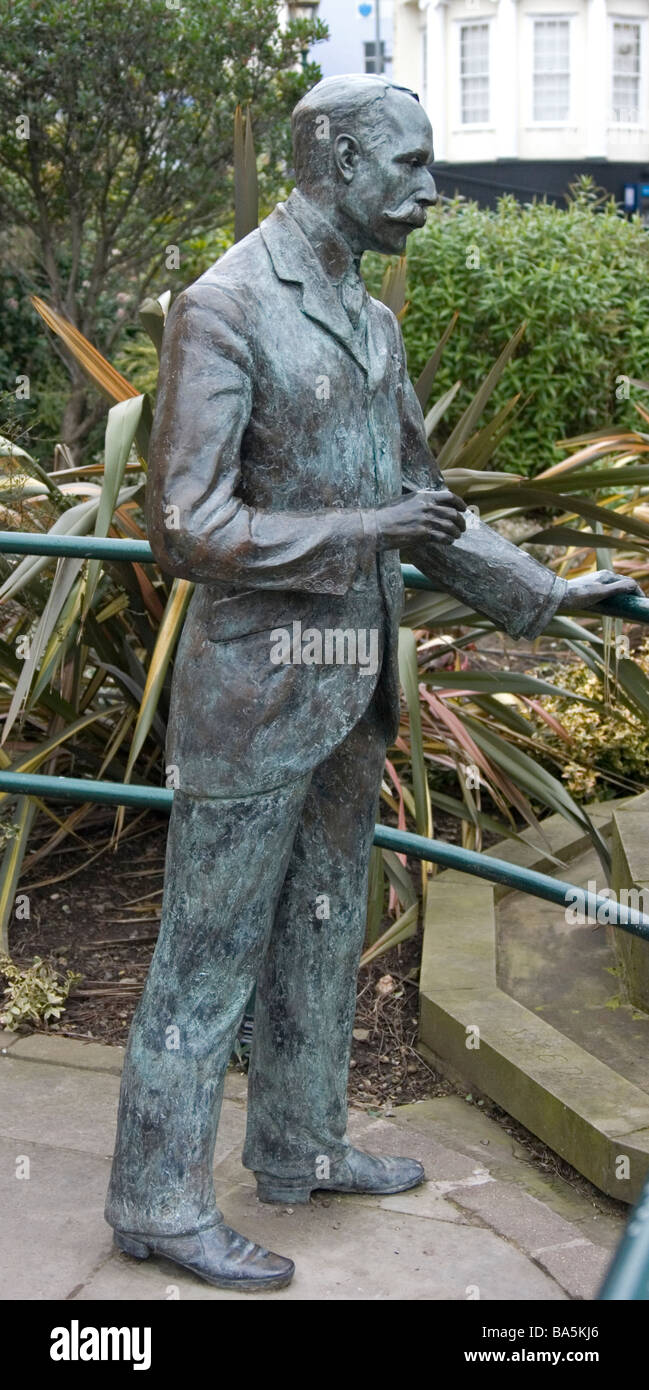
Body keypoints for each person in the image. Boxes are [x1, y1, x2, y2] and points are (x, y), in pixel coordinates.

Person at [104, 74, 641, 1293]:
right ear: (334, 160)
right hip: (253, 688)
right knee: (208, 947)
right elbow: (183, 528)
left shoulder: (368, 315)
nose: (430, 190)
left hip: (347, 681)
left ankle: (298, 1145)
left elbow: (426, 501)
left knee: (320, 923)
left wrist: (547, 589)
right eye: (405, 165)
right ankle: (154, 1197)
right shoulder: (226, 301)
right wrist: (365, 525)